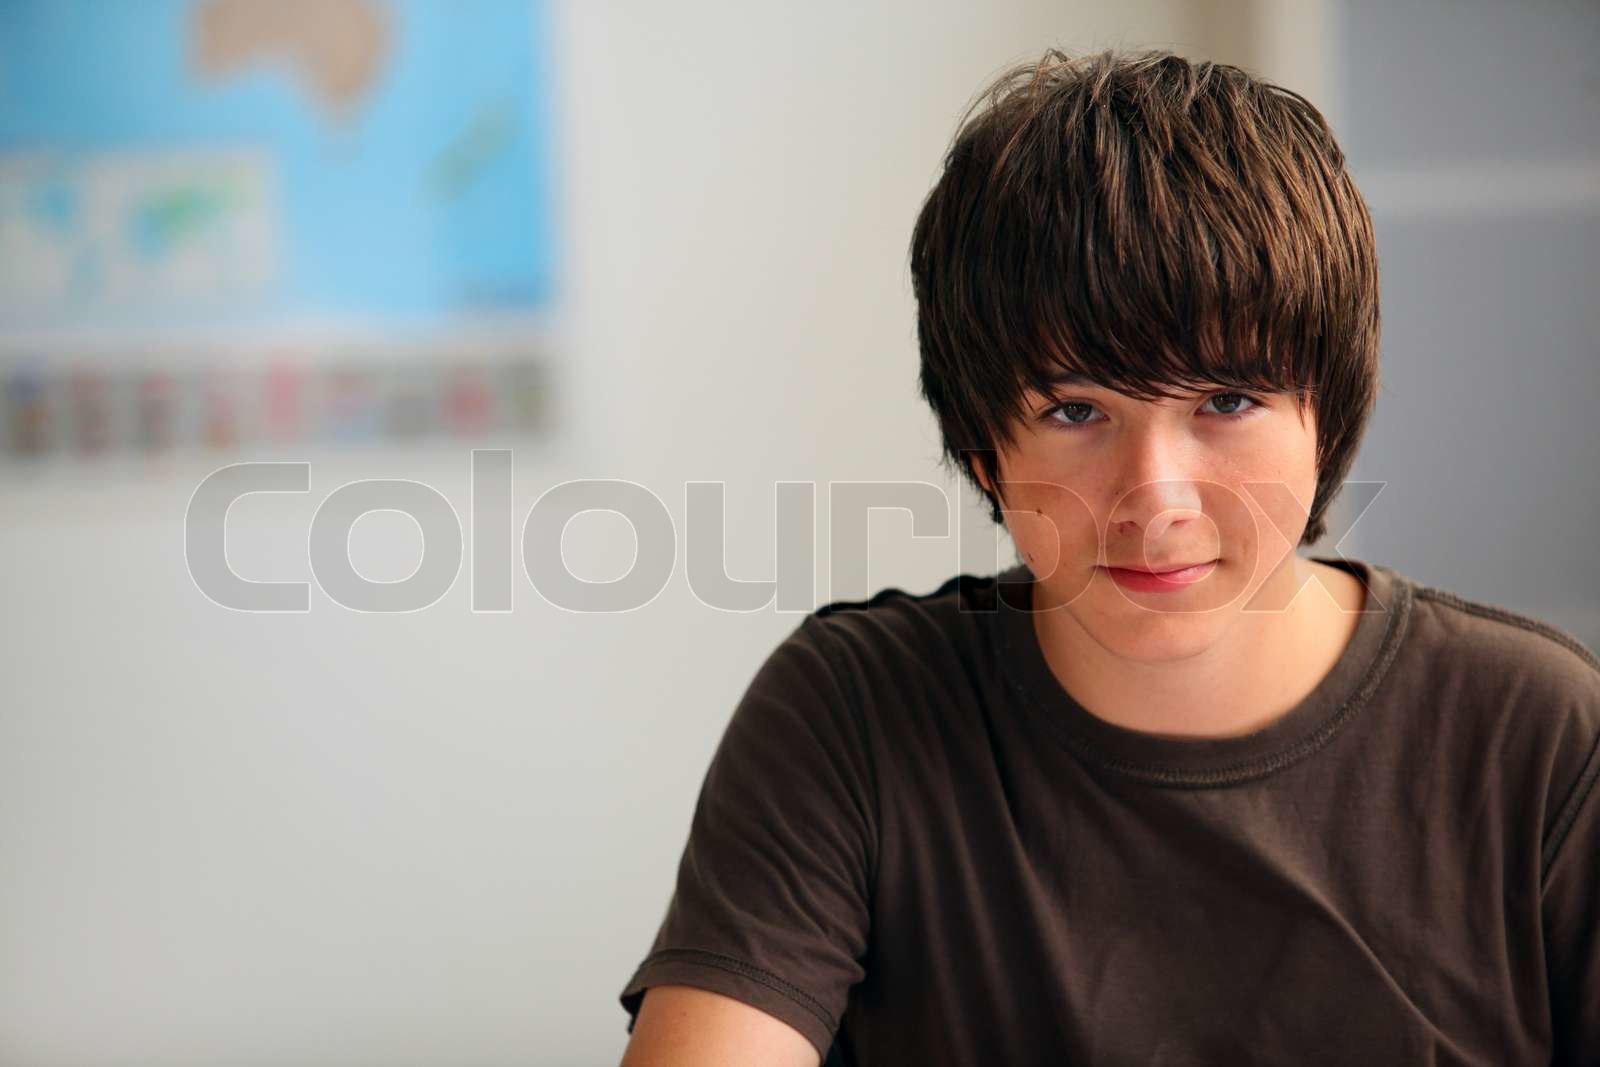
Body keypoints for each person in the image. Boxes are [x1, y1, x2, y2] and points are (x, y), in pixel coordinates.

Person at [615, 48, 1600, 1065]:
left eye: (1226, 401)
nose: (1155, 497)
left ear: (1328, 413)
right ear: (985, 447)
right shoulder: (853, 716)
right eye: (1075, 409)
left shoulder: (1535, 734)